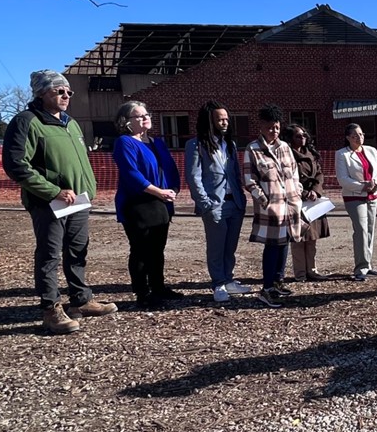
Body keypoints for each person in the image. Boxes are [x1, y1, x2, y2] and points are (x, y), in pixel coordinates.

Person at [2, 70, 116, 334]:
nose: (66, 95)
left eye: (68, 92)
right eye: (59, 91)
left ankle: (81, 300)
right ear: (41, 93)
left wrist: (89, 189)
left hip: (78, 201)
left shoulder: (71, 123)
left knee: (78, 251)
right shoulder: (26, 122)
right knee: (49, 255)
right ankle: (51, 308)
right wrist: (52, 191)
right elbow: (16, 165)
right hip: (49, 202)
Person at [112, 101, 182, 309]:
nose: (145, 118)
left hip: (161, 203)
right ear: (127, 122)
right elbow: (131, 174)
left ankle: (158, 287)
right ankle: (143, 293)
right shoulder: (125, 142)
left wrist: (173, 190)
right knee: (141, 250)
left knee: (157, 249)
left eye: (146, 114)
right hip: (139, 203)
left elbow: (170, 169)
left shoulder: (157, 143)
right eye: (139, 116)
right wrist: (158, 191)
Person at [185, 101, 252, 303]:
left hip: (235, 203)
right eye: (220, 119)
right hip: (214, 204)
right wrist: (205, 204)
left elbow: (234, 173)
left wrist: (242, 197)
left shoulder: (229, 144)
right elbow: (193, 176)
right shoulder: (195, 145)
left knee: (230, 246)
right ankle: (218, 284)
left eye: (226, 119)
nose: (224, 122)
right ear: (209, 121)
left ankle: (229, 280)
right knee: (216, 247)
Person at [243, 104, 303, 307]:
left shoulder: (285, 147)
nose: (274, 131)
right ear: (261, 126)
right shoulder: (253, 149)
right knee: (271, 246)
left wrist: (298, 191)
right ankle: (266, 288)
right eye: (269, 127)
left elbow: (294, 173)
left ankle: (278, 281)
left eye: (276, 127)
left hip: (290, 204)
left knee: (285, 242)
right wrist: (263, 199)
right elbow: (249, 179)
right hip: (271, 207)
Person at [335, 123, 377, 281]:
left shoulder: (371, 151)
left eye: (361, 134)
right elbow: (343, 179)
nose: (359, 138)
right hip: (354, 196)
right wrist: (363, 186)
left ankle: (368, 264)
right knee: (361, 230)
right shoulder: (342, 154)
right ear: (348, 138)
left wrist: (375, 182)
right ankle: (360, 267)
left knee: (370, 229)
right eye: (355, 135)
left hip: (372, 195)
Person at [287, 124, 331, 282]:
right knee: (298, 238)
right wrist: (304, 193)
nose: (302, 138)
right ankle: (300, 273)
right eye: (298, 136)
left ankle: (312, 270)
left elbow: (319, 173)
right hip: (296, 200)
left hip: (313, 202)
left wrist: (315, 191)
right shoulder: (287, 155)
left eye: (304, 135)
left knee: (312, 238)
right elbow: (287, 179)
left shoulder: (311, 153)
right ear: (291, 138)